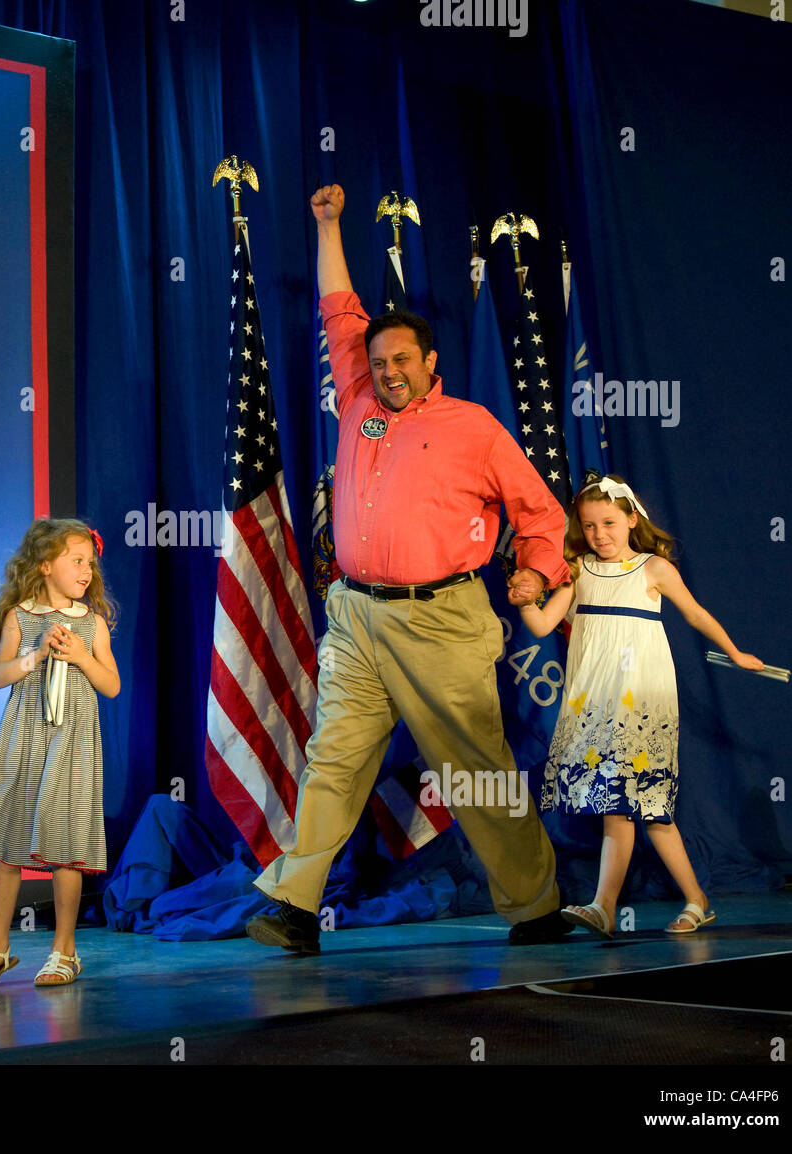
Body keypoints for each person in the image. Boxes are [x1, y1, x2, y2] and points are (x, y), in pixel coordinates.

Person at [246, 184, 571, 954]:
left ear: (432, 363)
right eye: (378, 360)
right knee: (333, 760)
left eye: (403, 361)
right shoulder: (358, 400)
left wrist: (536, 572)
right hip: (357, 616)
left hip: (444, 620)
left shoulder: (474, 428)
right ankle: (295, 906)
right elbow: (339, 307)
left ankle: (536, 907)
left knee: (476, 773)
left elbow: (542, 516)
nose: (387, 371)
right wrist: (326, 224)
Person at [518, 476, 762, 936]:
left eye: (609, 523)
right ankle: (604, 907)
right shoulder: (578, 570)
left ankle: (694, 898)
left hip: (642, 702)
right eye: (588, 526)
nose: (599, 535)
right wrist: (527, 599)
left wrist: (734, 652)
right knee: (617, 806)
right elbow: (543, 623)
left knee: (650, 809)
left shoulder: (654, 569)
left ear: (631, 519)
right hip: (596, 701)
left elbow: (696, 614)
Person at [0, 520, 120, 987]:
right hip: (25, 738)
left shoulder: (91, 623)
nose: (86, 570)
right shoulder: (20, 617)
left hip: (72, 743)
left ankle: (63, 951)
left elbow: (111, 685)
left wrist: (81, 658)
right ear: (45, 565)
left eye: (89, 563)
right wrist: (36, 656)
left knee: (66, 847)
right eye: (76, 560)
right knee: (6, 846)